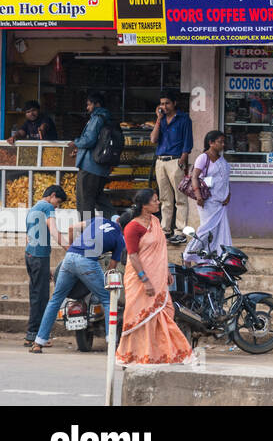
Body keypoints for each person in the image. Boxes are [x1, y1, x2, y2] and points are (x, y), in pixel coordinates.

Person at [116, 188, 195, 365]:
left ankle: (160, 353)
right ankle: (136, 354)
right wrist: (145, 280)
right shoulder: (133, 227)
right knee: (141, 316)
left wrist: (166, 270)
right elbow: (133, 256)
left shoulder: (156, 221)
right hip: (139, 279)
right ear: (144, 206)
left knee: (165, 312)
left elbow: (161, 249)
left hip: (158, 277)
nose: (158, 203)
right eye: (154, 200)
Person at [30, 211, 125, 352]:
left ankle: (38, 342)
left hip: (69, 258)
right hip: (88, 262)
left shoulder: (98, 220)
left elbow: (71, 228)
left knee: (55, 300)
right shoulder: (120, 238)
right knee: (107, 299)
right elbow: (111, 268)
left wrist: (70, 248)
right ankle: (111, 343)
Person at [24, 185, 67, 347]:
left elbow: (28, 236)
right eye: (58, 202)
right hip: (39, 256)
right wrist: (69, 249)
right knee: (41, 298)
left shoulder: (33, 208)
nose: (57, 206)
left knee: (35, 295)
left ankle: (31, 334)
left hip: (30, 255)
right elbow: (54, 231)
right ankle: (35, 335)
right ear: (52, 195)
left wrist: (44, 265)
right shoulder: (48, 207)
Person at [151, 90, 194, 244]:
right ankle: (165, 230)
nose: (164, 106)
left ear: (174, 103)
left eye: (167, 103)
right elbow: (153, 139)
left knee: (180, 198)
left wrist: (183, 160)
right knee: (164, 198)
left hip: (176, 161)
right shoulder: (161, 120)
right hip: (160, 161)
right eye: (162, 103)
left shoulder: (184, 119)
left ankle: (180, 231)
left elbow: (187, 142)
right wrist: (158, 119)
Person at [183, 131, 233, 265]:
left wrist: (228, 194)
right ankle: (188, 255)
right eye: (220, 142)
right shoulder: (203, 158)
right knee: (206, 231)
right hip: (207, 202)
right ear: (211, 143)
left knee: (217, 232)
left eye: (224, 142)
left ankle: (212, 259)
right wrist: (198, 195)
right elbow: (194, 177)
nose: (223, 144)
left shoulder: (222, 160)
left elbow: (225, 180)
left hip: (221, 203)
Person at [70, 92, 114, 220]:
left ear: (97, 104)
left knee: (85, 201)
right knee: (99, 199)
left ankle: (87, 231)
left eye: (89, 105)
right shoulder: (107, 118)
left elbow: (89, 140)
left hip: (90, 167)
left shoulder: (97, 118)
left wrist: (75, 142)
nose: (87, 108)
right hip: (100, 167)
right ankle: (117, 222)